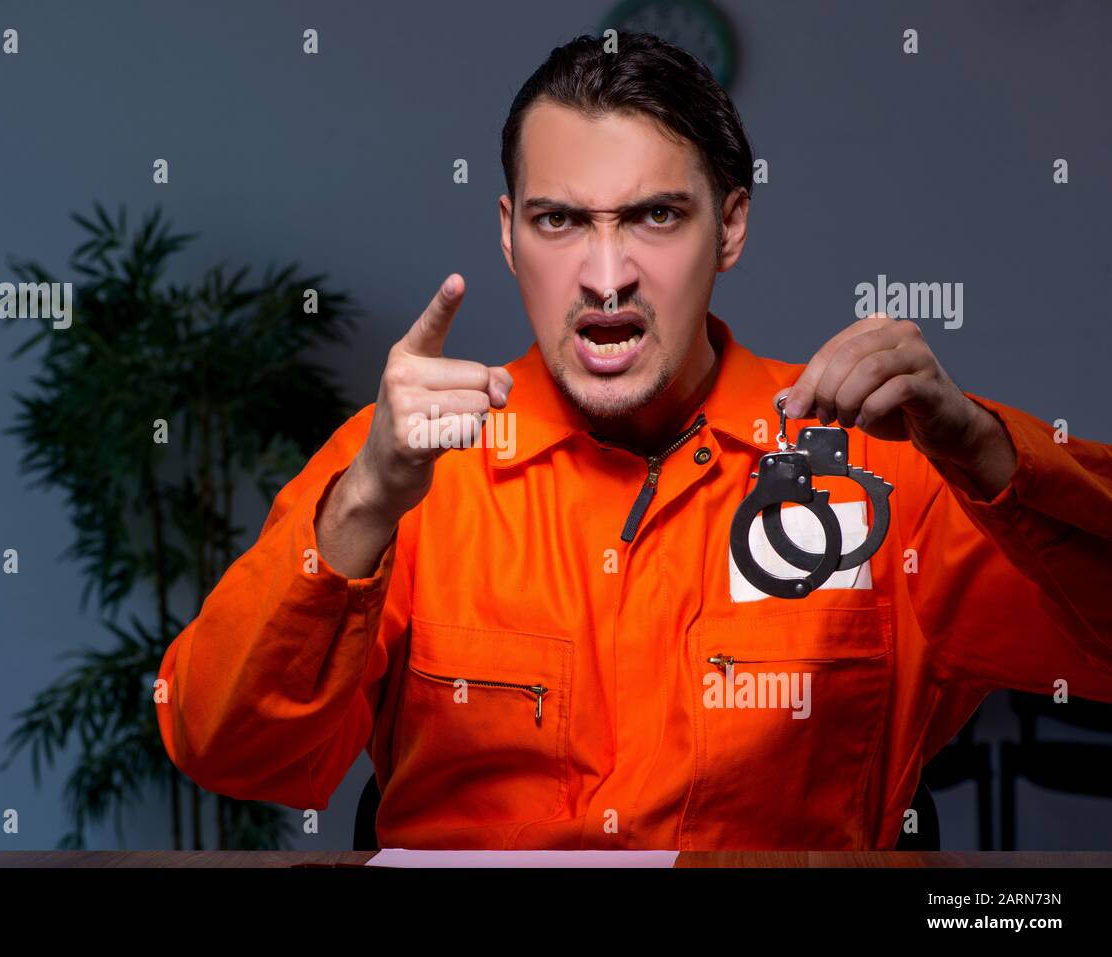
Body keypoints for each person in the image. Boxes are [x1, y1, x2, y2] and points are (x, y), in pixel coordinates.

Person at [156, 32, 1112, 850]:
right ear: (507, 234)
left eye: (656, 215)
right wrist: (365, 498)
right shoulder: (405, 464)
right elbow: (225, 749)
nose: (605, 275)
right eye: (560, 220)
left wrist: (986, 452)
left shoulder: (893, 459)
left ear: (730, 224)